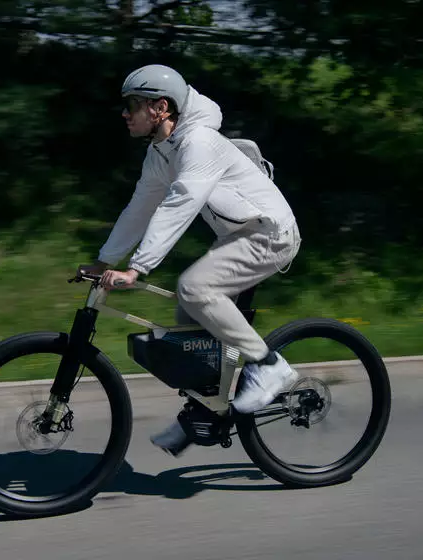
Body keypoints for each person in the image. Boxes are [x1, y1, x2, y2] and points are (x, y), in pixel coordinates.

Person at [78, 64, 302, 456]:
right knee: (189, 320)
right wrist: (104, 261)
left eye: (132, 105)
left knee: (195, 287)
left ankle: (268, 366)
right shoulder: (161, 152)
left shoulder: (199, 142)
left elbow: (181, 202)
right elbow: (141, 207)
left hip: (271, 235)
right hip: (239, 236)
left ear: (160, 108)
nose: (125, 113)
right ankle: (206, 413)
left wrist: (137, 267)